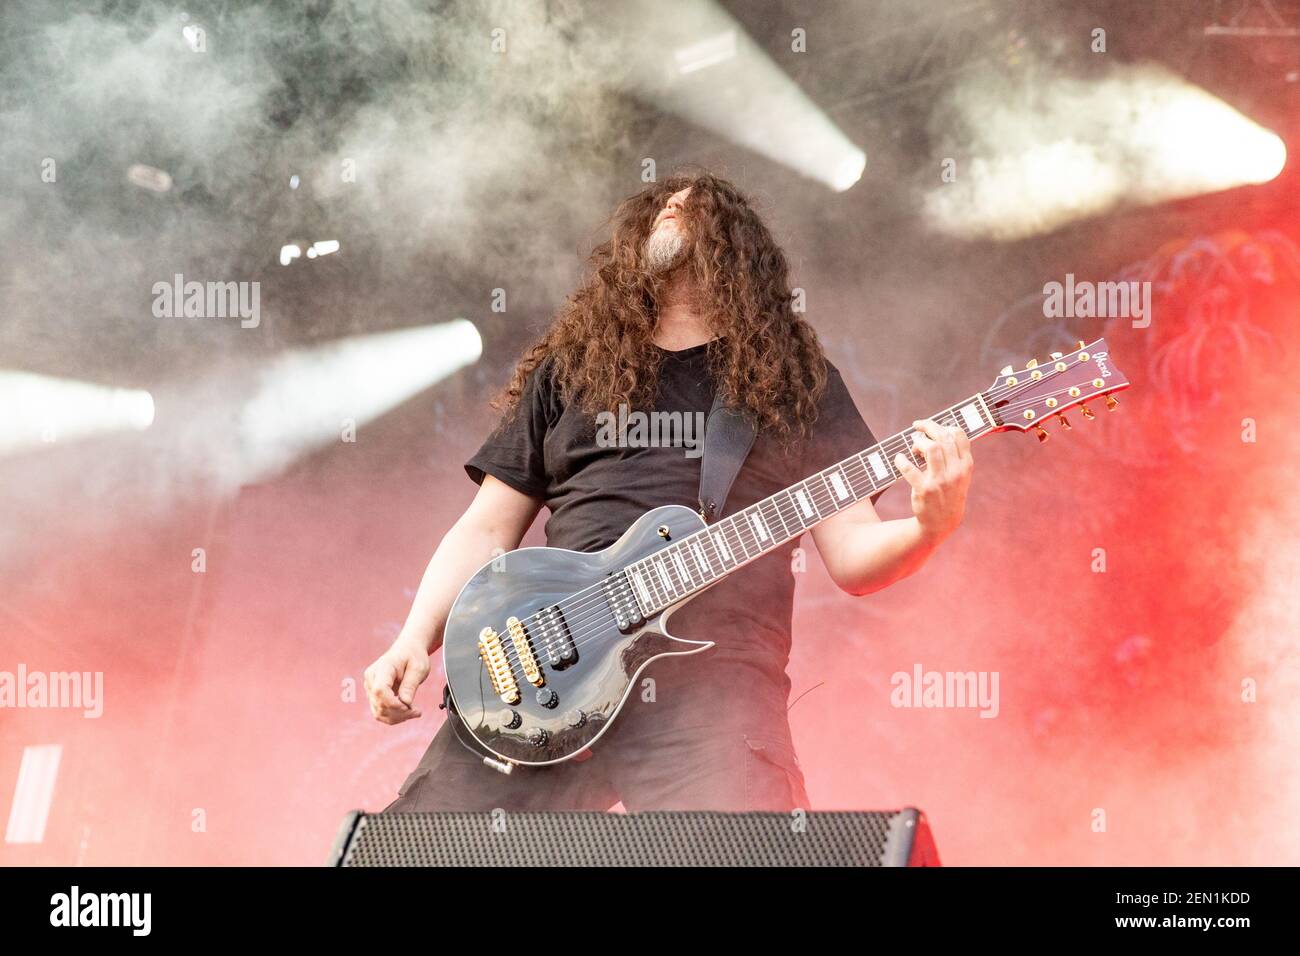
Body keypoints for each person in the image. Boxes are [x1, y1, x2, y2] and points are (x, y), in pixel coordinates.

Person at [364, 172, 974, 812]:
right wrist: (414, 638)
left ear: (736, 247)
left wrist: (929, 527)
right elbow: (486, 528)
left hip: (713, 687)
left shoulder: (793, 378)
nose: (671, 207)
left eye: (693, 207)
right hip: (540, 673)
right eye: (661, 205)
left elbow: (853, 554)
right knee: (423, 847)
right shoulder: (571, 368)